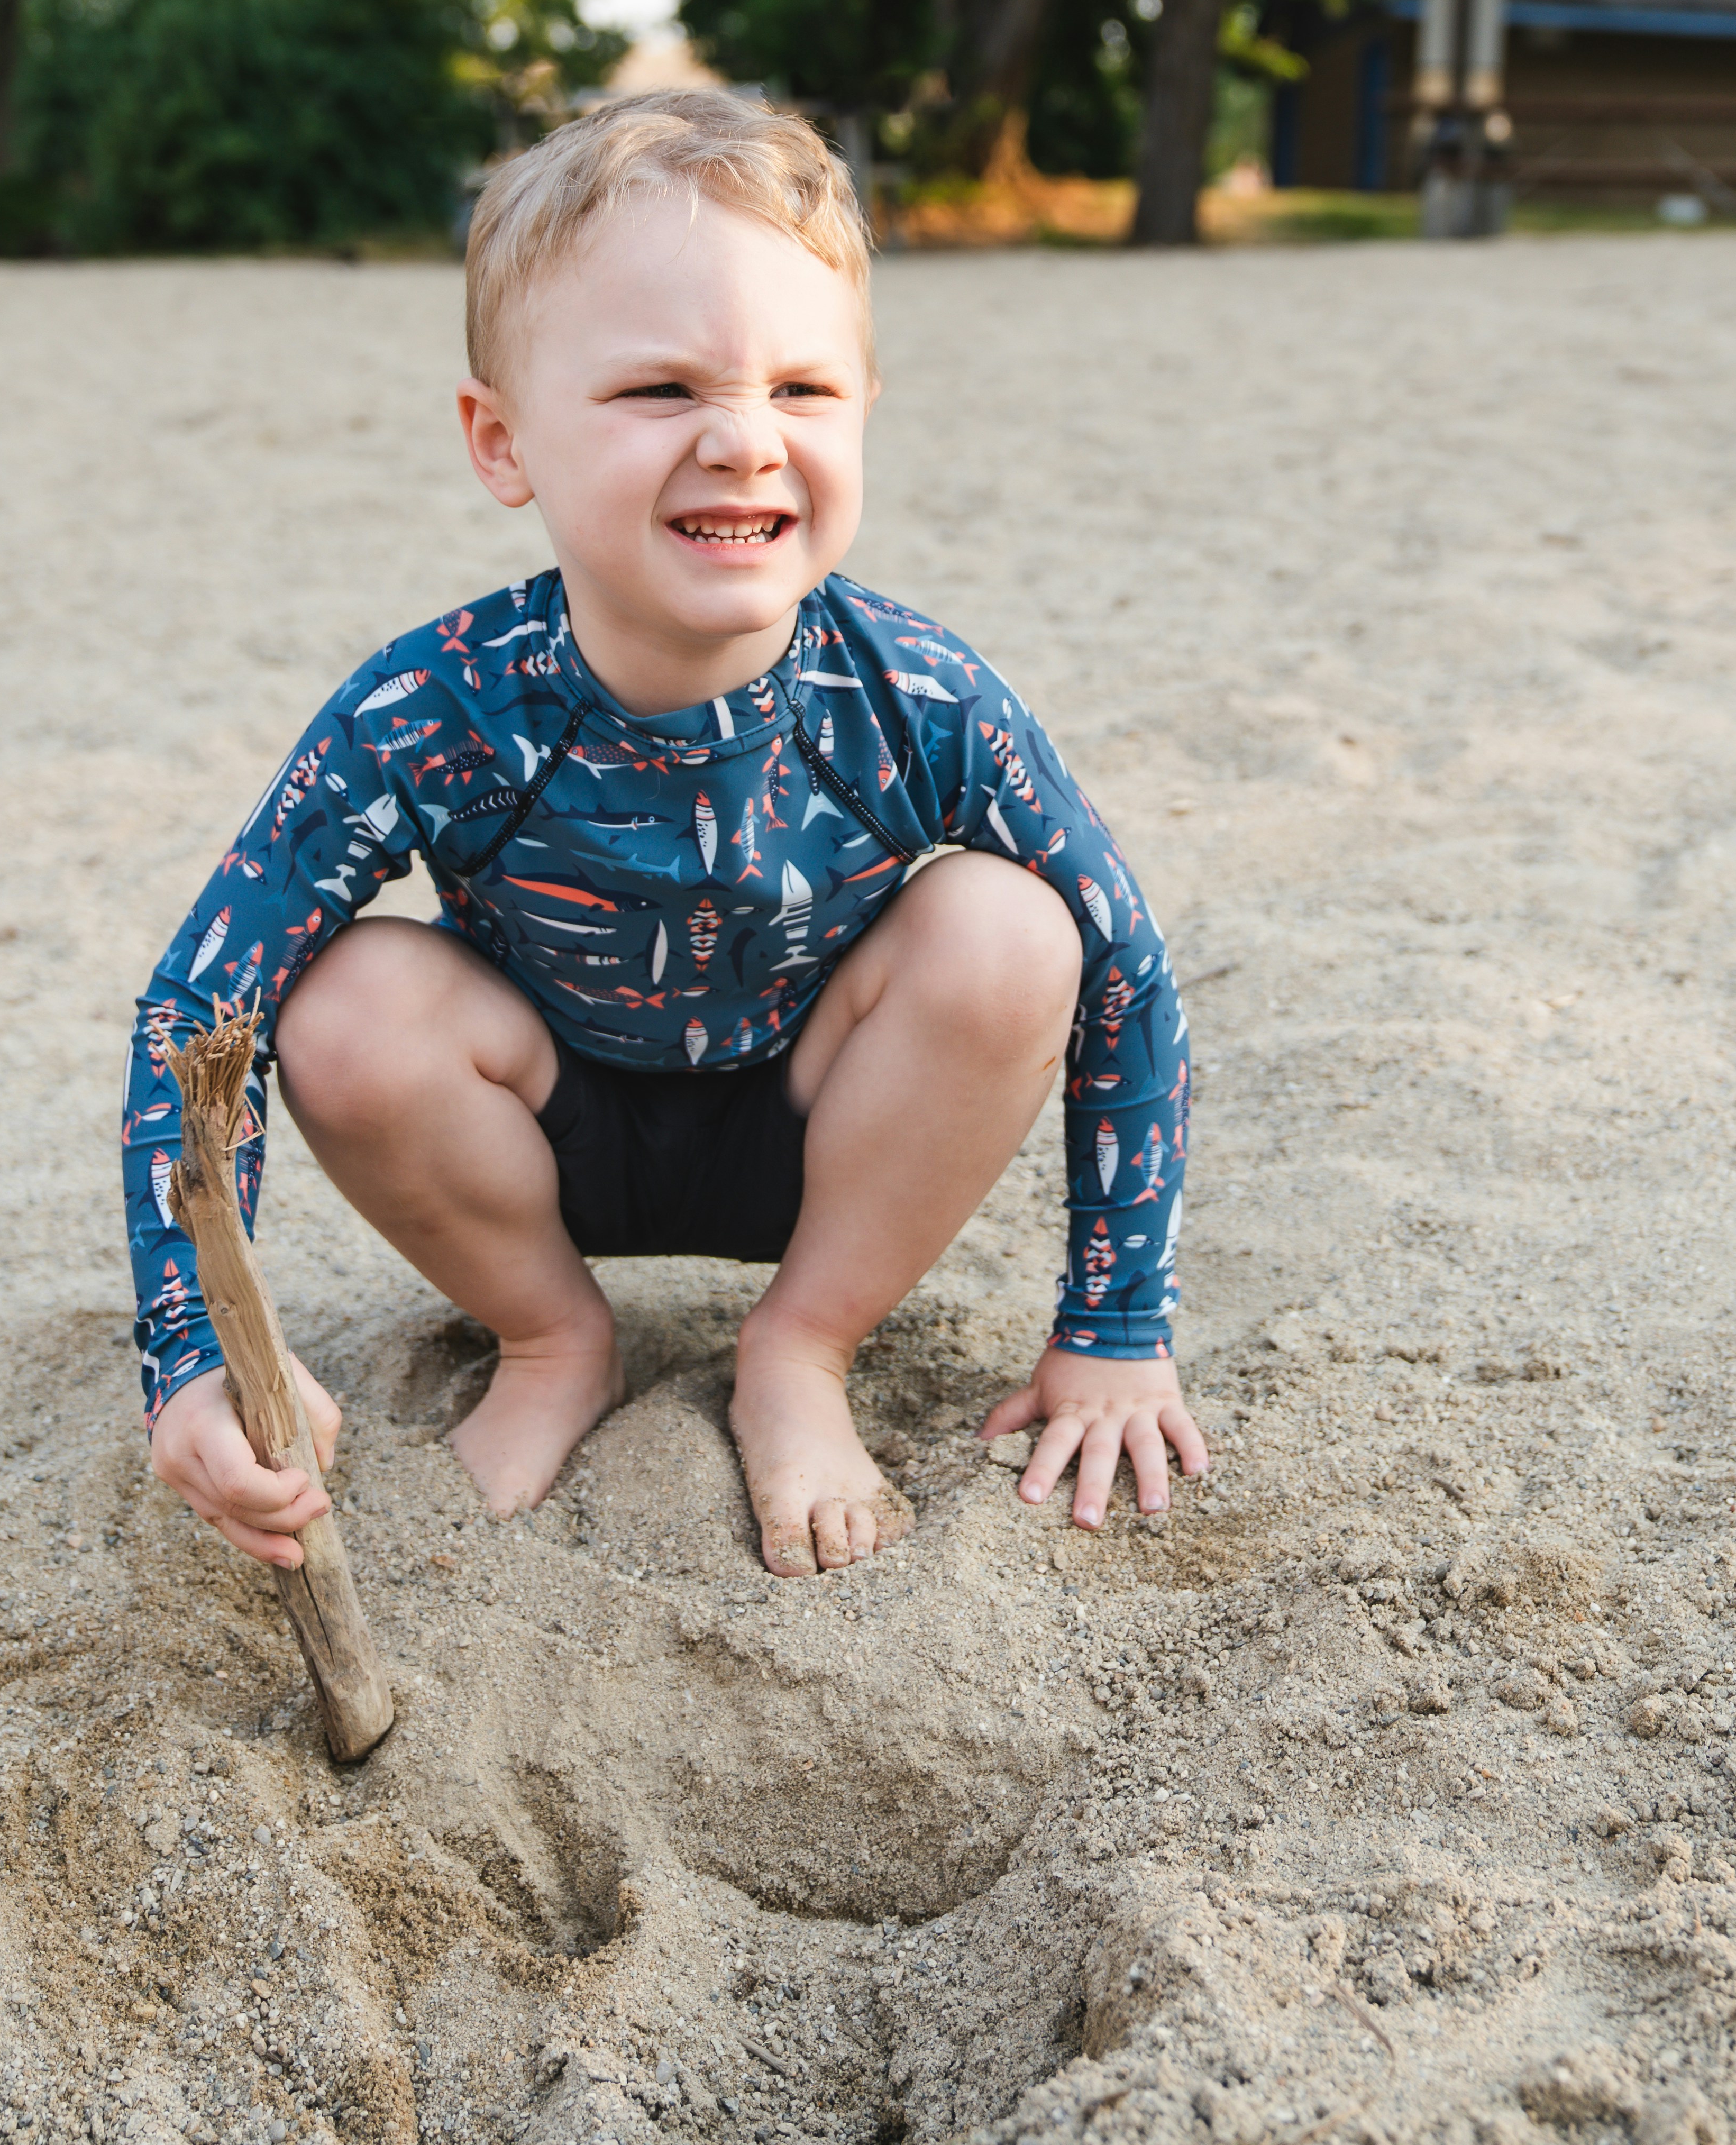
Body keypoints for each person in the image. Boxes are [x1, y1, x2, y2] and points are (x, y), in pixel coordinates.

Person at [125, 90, 1205, 1580]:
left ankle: (801, 1349)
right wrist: (189, 1346)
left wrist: (1114, 1329)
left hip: (827, 1131)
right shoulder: (436, 705)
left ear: (865, 411)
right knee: (344, 997)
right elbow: (204, 1002)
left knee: (1018, 930)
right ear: (502, 442)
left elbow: (1130, 976)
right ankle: (554, 1337)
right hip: (543, 1134)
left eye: (805, 391)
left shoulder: (921, 698)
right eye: (658, 391)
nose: (745, 441)